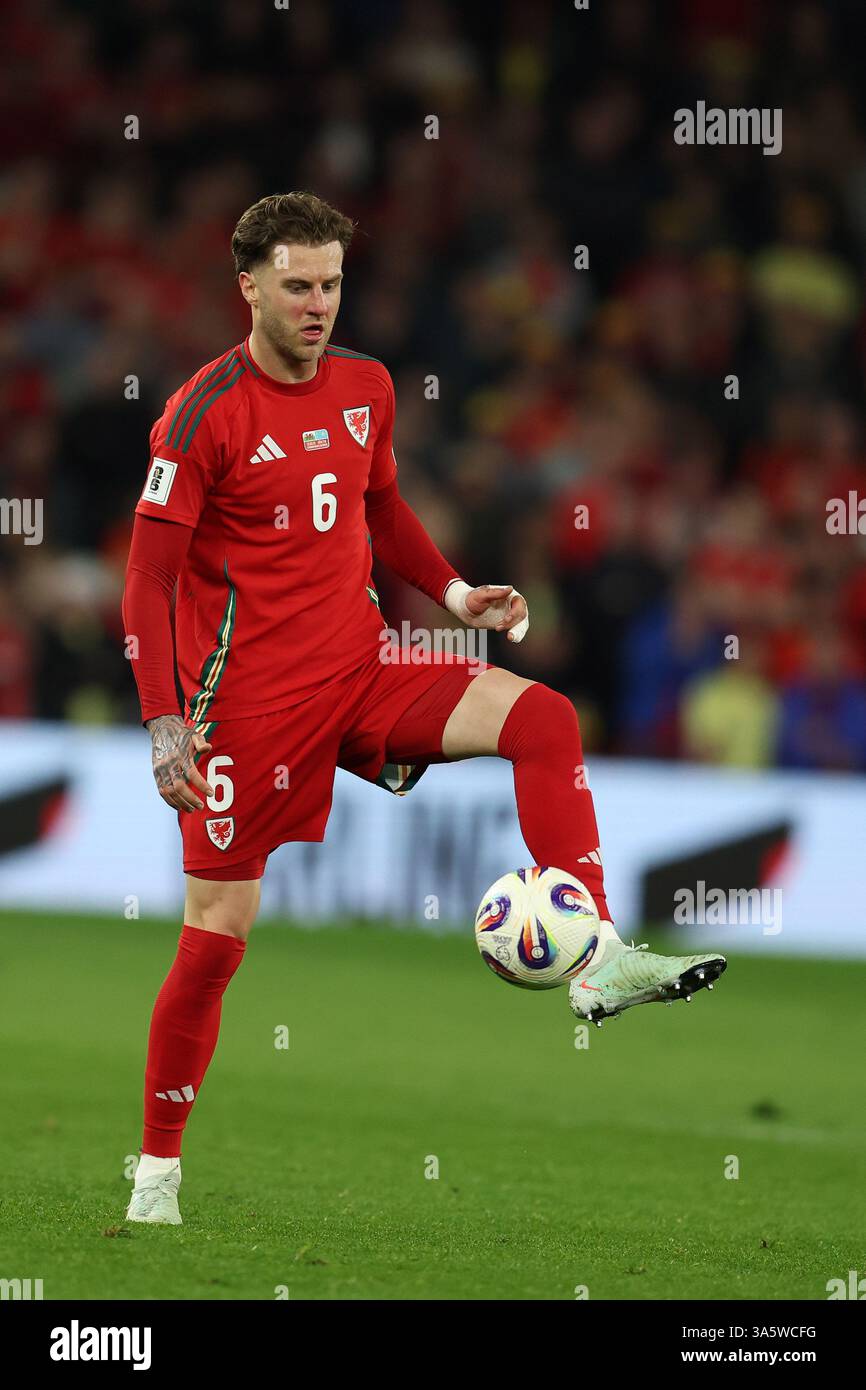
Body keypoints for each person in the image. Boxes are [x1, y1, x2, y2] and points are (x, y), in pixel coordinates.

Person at [121, 192, 725, 1225]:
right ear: (250, 287)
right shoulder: (200, 412)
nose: (319, 304)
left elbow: (382, 507)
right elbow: (145, 581)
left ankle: (599, 957)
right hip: (247, 713)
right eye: (299, 285)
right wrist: (164, 719)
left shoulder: (367, 385)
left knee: (542, 719)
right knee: (216, 935)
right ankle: (158, 1173)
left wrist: (453, 597)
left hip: (363, 667)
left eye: (332, 283)